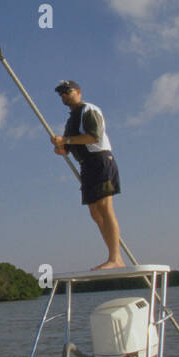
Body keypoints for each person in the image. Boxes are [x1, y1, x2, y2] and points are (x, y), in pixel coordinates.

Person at [50, 80, 124, 269]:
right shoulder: (70, 120)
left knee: (105, 206)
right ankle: (115, 258)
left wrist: (65, 139)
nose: (64, 96)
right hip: (86, 165)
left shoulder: (89, 110)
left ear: (78, 92)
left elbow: (94, 136)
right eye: (61, 94)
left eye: (67, 91)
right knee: (94, 213)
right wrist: (60, 147)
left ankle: (115, 258)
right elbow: (67, 149)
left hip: (100, 160)